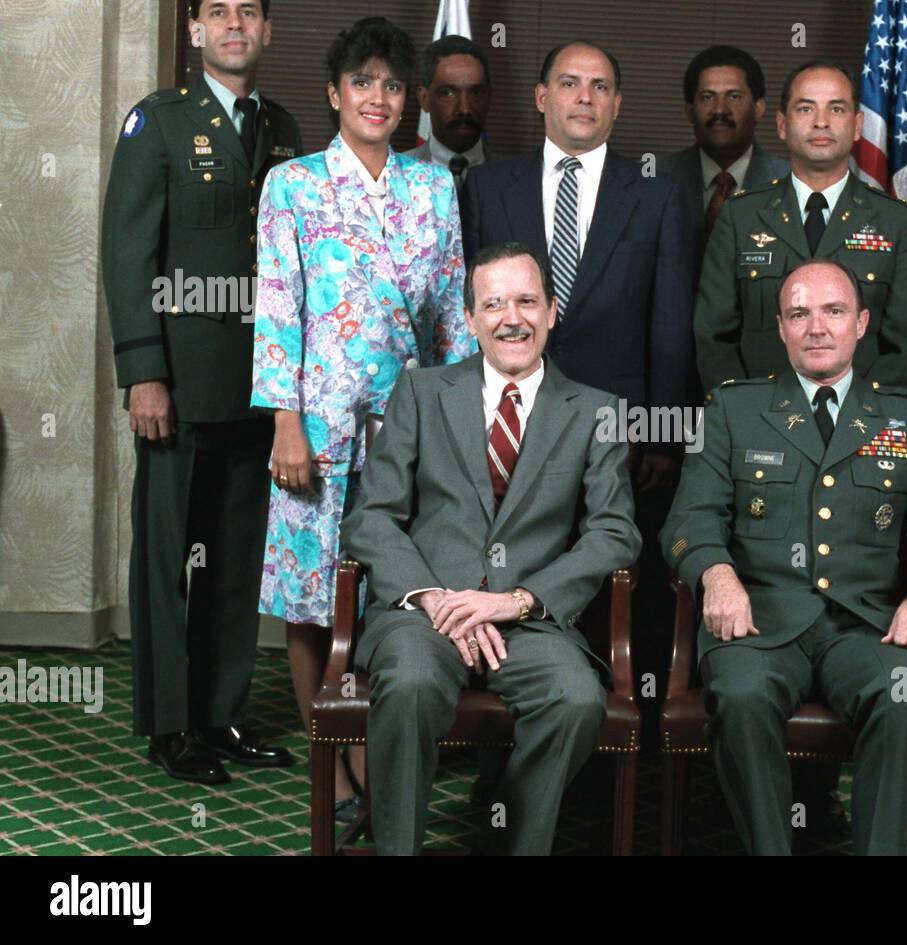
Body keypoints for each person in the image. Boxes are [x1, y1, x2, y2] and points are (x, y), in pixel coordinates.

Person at [662, 258, 907, 855]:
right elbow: (690, 517)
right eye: (799, 313)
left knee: (903, 697)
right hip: (759, 620)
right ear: (780, 329)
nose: (816, 328)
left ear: (860, 323)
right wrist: (718, 575)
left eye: (833, 311)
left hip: (867, 628)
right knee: (742, 696)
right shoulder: (732, 410)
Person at [341, 242, 641, 856]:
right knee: (412, 685)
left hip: (528, 621)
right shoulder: (421, 393)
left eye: (528, 301)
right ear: (472, 317)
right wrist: (431, 597)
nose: (513, 318)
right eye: (495, 303)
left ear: (552, 312)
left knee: (576, 699)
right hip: (428, 614)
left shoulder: (598, 412)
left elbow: (616, 532)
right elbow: (371, 517)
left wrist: (520, 600)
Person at [250, 16, 472, 822]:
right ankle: (335, 766)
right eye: (361, 83)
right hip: (317, 426)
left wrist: (468, 413)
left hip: (411, 429)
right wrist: (285, 423)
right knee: (315, 599)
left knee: (396, 592)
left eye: (390, 85)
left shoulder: (432, 184)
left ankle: (385, 754)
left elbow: (452, 306)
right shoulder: (295, 185)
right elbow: (278, 310)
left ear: (407, 98)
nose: (376, 98)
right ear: (334, 94)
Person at [102, 0, 300, 785]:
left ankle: (221, 714)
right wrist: (143, 369)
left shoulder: (282, 127)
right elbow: (127, 252)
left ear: (266, 30)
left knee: (236, 559)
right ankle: (171, 724)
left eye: (248, 11)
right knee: (167, 557)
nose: (233, 23)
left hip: (258, 386)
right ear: (193, 32)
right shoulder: (158, 122)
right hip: (178, 384)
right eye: (216, 11)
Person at [460, 40, 694, 485]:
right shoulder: (487, 188)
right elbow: (469, 315)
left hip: (619, 428)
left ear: (617, 104)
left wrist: (664, 437)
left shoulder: (657, 195)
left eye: (600, 87)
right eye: (570, 84)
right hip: (504, 418)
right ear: (541, 97)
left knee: (605, 550)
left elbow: (671, 328)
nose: (585, 97)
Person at [694, 58, 907, 394]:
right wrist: (742, 412)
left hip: (860, 426)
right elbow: (713, 336)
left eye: (836, 109)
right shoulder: (740, 217)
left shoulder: (898, 223)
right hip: (757, 425)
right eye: (806, 109)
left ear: (858, 125)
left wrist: (858, 417)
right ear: (781, 124)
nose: (821, 122)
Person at [659, 45, 789, 281]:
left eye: (734, 96)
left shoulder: (790, 182)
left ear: (758, 109)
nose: (720, 110)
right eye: (707, 97)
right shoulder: (654, 179)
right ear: (689, 110)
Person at [405, 35, 494, 191]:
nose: (464, 109)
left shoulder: (515, 178)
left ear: (488, 98)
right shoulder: (395, 174)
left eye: (476, 93)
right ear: (424, 99)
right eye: (447, 93)